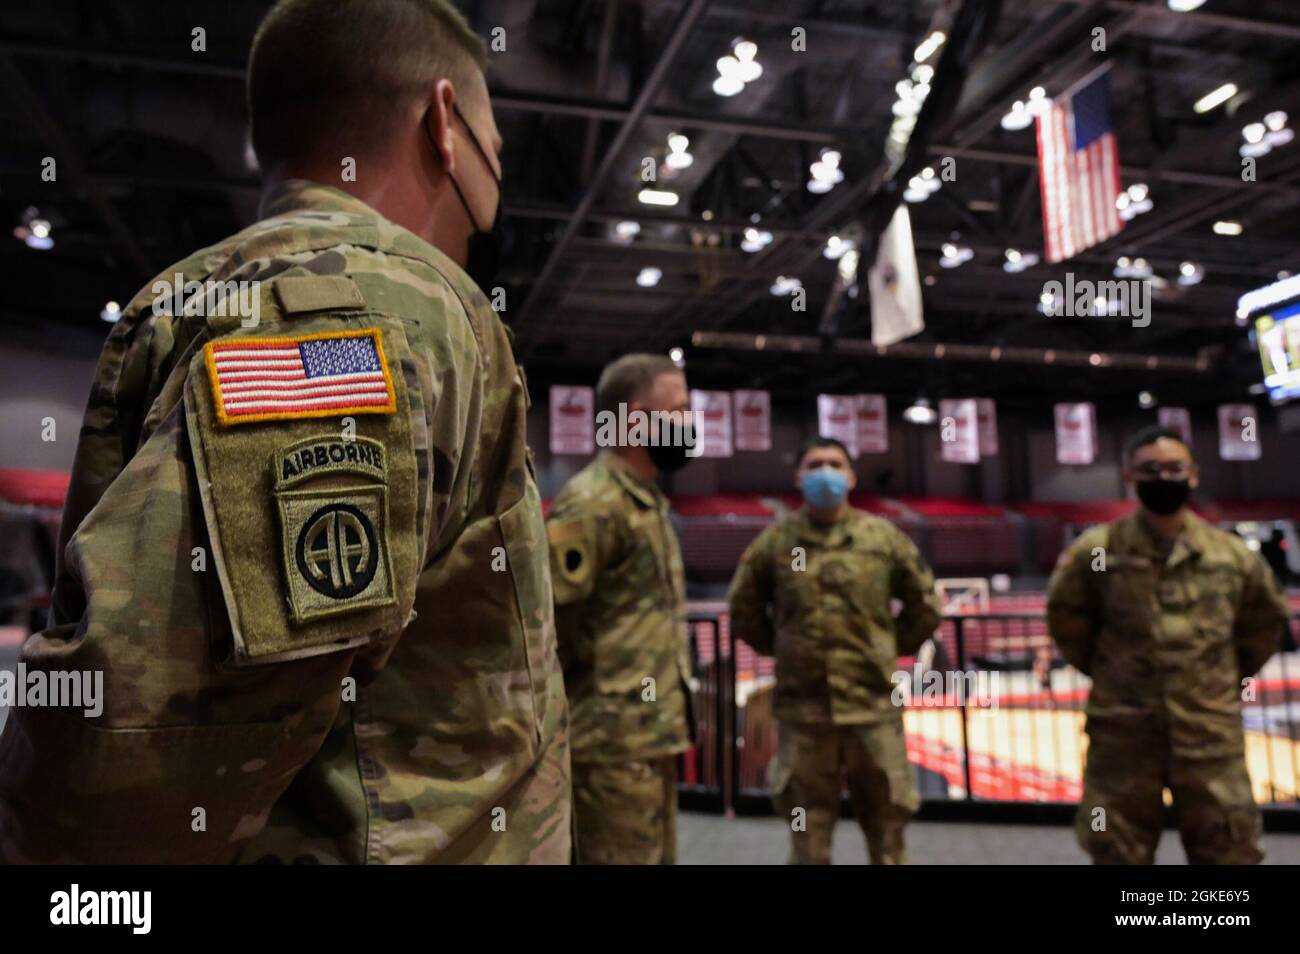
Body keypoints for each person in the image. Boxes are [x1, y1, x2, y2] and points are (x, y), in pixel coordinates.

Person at [0, 0, 571, 864]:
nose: (496, 184)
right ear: (444, 122)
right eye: (498, 150)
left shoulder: (200, 292)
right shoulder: (378, 307)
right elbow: (126, 761)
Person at [1047, 425, 1288, 864]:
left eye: (1174, 467)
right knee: (1115, 849)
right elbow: (1067, 622)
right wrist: (1115, 672)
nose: (1163, 476)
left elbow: (1264, 624)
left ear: (1193, 474)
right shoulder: (1097, 553)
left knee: (1229, 851)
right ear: (1130, 478)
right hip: (1123, 738)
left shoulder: (1231, 556)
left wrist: (1221, 676)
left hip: (1209, 736)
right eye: (1150, 469)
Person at [727, 436, 941, 864]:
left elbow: (925, 603)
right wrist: (784, 649)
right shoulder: (775, 544)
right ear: (799, 476)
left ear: (851, 476)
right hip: (804, 716)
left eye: (835, 463)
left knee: (889, 837)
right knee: (808, 839)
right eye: (815, 464)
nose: (825, 472)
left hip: (873, 711)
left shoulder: (883, 539)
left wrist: (885, 648)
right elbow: (744, 608)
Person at [546, 354, 696, 864]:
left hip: (650, 738)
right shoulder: (593, 503)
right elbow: (550, 627)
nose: (689, 422)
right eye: (678, 409)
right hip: (609, 746)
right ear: (636, 420)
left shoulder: (645, 499)